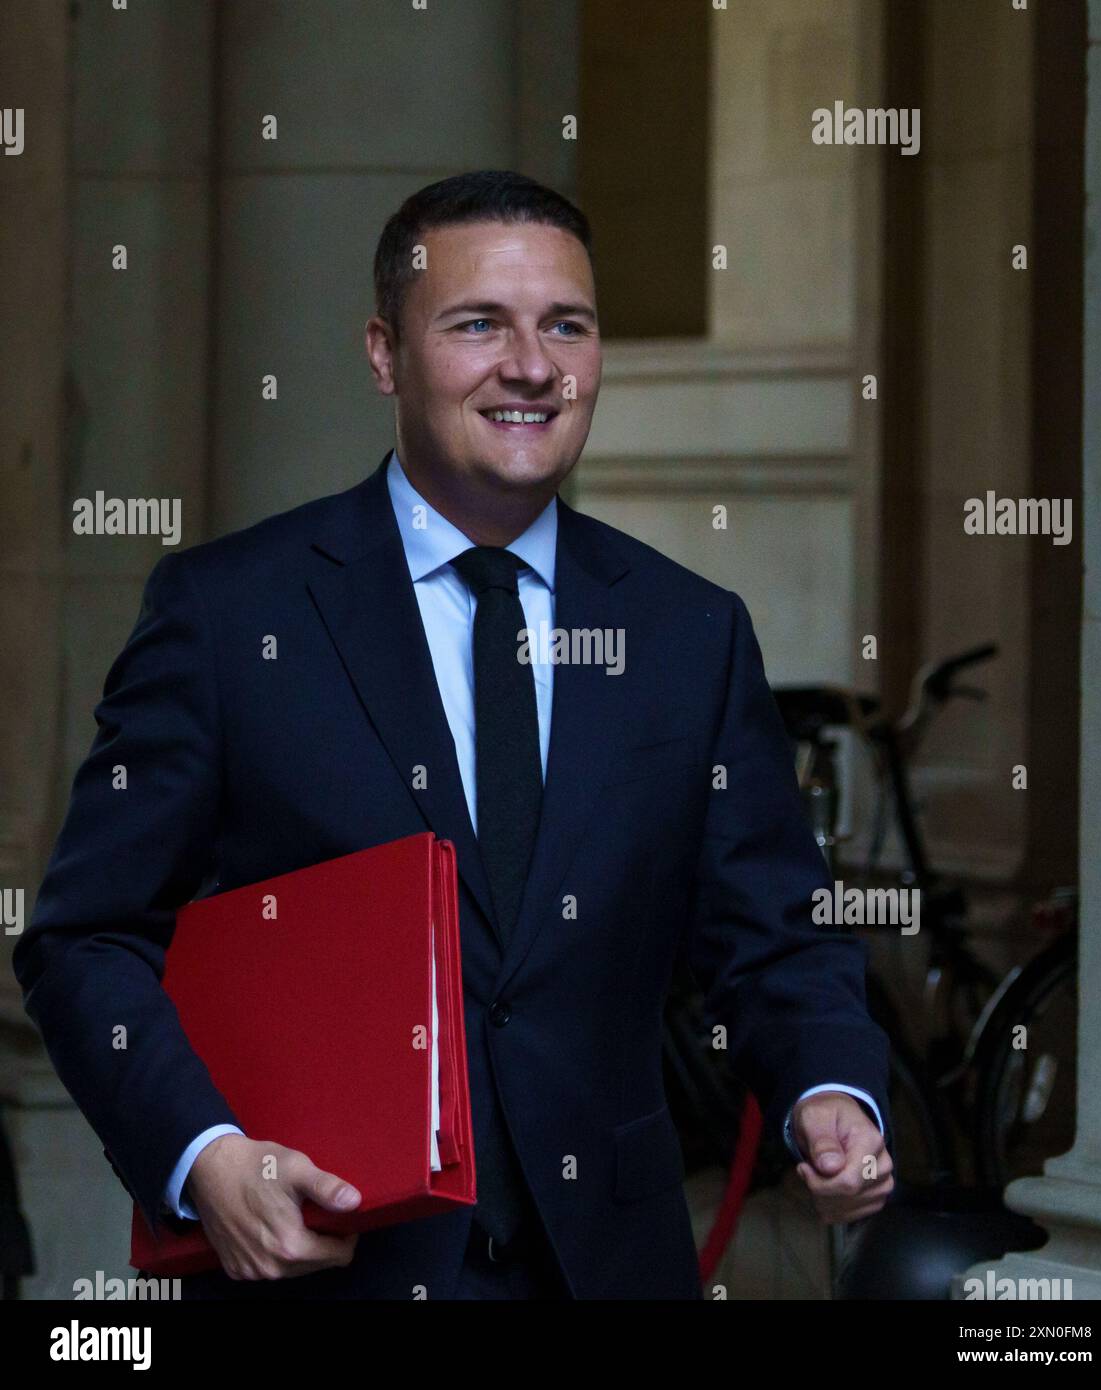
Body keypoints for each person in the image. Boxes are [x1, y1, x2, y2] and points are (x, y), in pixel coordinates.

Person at [13, 170, 894, 1300]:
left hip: (609, 1269)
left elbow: (774, 936)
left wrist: (830, 1087)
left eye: (564, 325)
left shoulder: (688, 632)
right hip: (330, 1266)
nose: (530, 365)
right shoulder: (230, 616)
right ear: (384, 354)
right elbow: (85, 940)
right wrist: (206, 1160)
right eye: (477, 323)